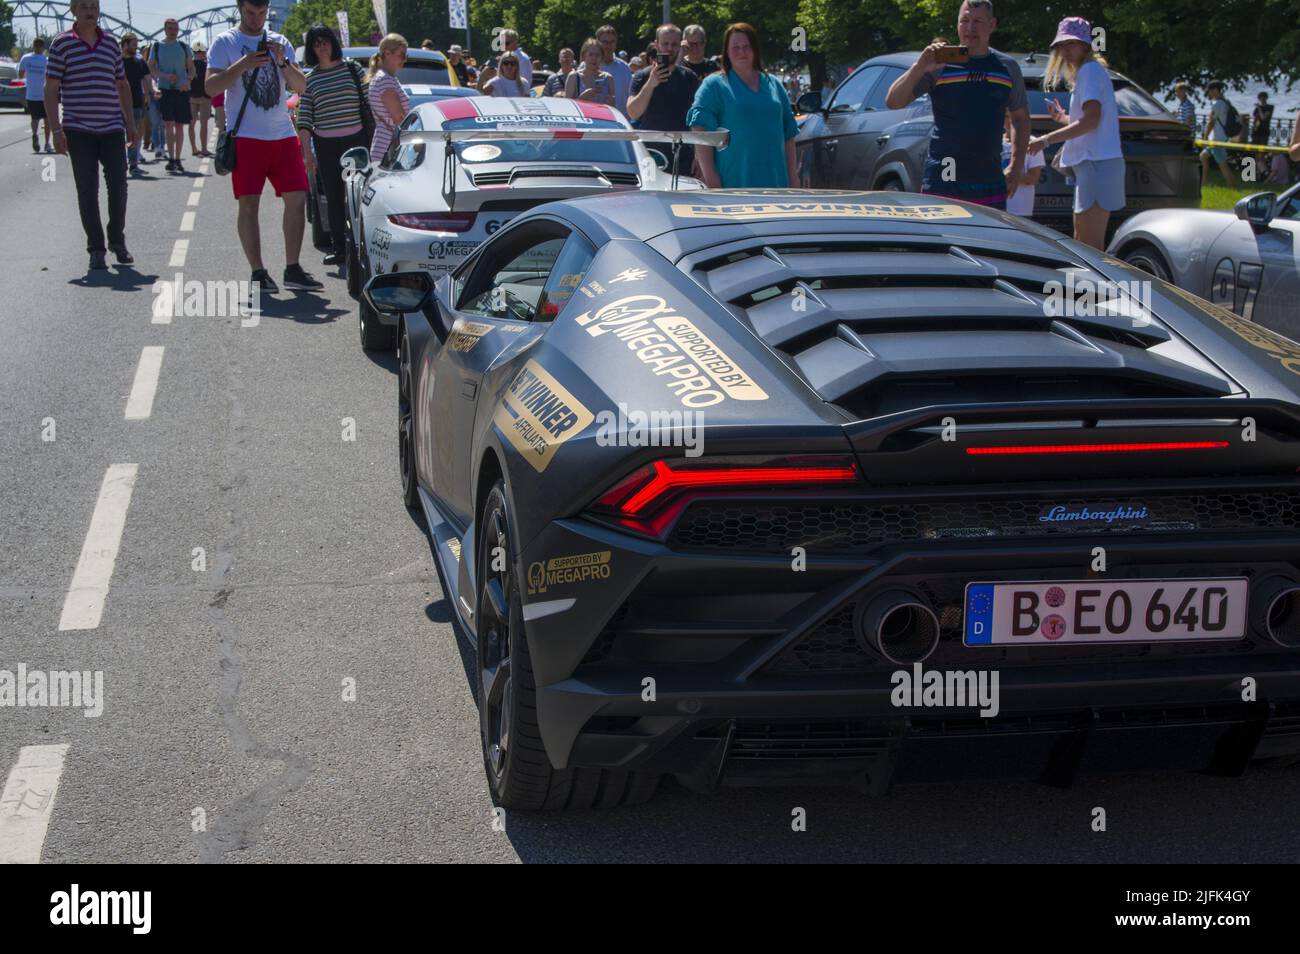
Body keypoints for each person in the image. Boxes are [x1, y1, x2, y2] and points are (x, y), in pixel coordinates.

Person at [206, 0, 322, 295]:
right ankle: (258, 271)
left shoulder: (280, 41)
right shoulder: (225, 42)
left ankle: (292, 268)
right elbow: (210, 88)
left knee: (297, 200)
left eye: (260, 13)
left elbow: (301, 86)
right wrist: (243, 64)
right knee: (249, 204)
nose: (256, 19)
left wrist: (282, 61)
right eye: (250, 13)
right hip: (246, 137)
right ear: (240, 9)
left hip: (283, 135)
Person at [885, 0, 1029, 210]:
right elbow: (893, 101)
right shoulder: (940, 63)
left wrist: (1016, 167)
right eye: (964, 21)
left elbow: (1020, 118)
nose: (970, 28)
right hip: (946, 168)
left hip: (988, 172)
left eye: (978, 21)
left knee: (987, 239)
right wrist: (919, 67)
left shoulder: (1006, 67)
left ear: (992, 25)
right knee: (946, 234)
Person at [44, 0, 136, 270]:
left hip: (111, 128)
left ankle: (117, 241)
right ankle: (96, 248)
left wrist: (130, 122)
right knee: (87, 190)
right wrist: (56, 130)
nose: (90, 10)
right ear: (73, 9)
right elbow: (51, 89)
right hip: (78, 128)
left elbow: (122, 84)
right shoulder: (61, 44)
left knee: (119, 186)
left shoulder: (110, 43)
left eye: (94, 5)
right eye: (83, 5)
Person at [1027, 17, 1124, 250]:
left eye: (1071, 44)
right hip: (1094, 165)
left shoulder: (1089, 71)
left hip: (1097, 164)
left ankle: (1091, 288)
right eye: (1061, 45)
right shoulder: (1089, 71)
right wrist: (1062, 119)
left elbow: (1091, 120)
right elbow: (1091, 121)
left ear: (1085, 45)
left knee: (1090, 247)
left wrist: (1046, 140)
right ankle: (1085, 287)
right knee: (1084, 243)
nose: (1064, 50)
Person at [687, 22, 798, 188]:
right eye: (735, 47)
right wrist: (711, 177)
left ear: (755, 49)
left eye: (747, 46)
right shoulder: (714, 85)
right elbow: (700, 130)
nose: (742, 52)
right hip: (733, 184)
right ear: (726, 52)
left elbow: (788, 135)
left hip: (777, 183)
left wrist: (793, 177)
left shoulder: (774, 84)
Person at [298, 24, 369, 268]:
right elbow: (304, 120)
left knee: (358, 194)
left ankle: (363, 246)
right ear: (311, 49)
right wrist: (308, 154)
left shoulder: (353, 69)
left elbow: (370, 102)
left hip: (355, 143)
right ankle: (339, 248)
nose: (322, 46)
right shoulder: (310, 79)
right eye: (316, 43)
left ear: (333, 43)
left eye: (325, 41)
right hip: (326, 146)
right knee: (335, 197)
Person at [627, 24, 699, 175]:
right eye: (665, 43)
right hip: (650, 154)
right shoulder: (642, 76)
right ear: (656, 45)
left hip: (683, 154)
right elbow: (633, 112)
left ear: (681, 45)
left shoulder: (689, 77)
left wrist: (699, 155)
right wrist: (651, 84)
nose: (669, 48)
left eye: (674, 44)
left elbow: (698, 119)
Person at [149, 17, 195, 173]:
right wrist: (165, 76)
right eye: (170, 28)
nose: (173, 31)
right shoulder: (156, 47)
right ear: (165, 29)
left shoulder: (184, 46)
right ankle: (170, 159)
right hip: (166, 90)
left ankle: (177, 158)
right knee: (168, 124)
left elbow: (192, 68)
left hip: (181, 90)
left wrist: (187, 80)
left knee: (180, 125)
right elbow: (151, 69)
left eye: (175, 28)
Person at [367, 34, 410, 163]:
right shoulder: (385, 80)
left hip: (384, 144)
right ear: (387, 53)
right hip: (389, 147)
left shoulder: (385, 78)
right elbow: (399, 118)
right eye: (401, 55)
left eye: (405, 55)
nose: (404, 59)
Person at [120, 33, 153, 174]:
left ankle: (133, 164)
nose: (136, 47)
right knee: (118, 136)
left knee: (134, 134)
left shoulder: (139, 62)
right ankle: (120, 164)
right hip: (117, 105)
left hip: (137, 103)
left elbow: (147, 79)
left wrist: (149, 95)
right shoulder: (117, 62)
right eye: (133, 44)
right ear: (125, 44)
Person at [1001, 111, 1043, 217]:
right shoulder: (994, 141)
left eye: (1014, 117)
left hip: (1020, 212)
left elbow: (1033, 178)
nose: (1011, 121)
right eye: (1006, 117)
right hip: (996, 210)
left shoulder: (1033, 143)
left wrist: (1007, 175)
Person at [1200, 81, 1236, 186]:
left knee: (1222, 164)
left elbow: (1211, 122)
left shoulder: (1217, 104)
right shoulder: (1224, 102)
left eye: (1210, 91)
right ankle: (1204, 182)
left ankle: (1232, 186)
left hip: (1217, 139)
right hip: (1218, 137)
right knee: (1203, 156)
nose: (1209, 94)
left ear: (1215, 90)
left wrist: (1205, 137)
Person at [18, 38, 51, 153]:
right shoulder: (46, 60)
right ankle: (47, 143)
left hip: (32, 94)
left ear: (33, 46)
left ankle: (35, 134)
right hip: (44, 94)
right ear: (43, 48)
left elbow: (21, 74)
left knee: (35, 119)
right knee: (47, 119)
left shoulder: (26, 58)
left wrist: (29, 76)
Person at [564, 39, 613, 106]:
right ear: (584, 56)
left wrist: (611, 103)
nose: (594, 58)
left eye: (597, 55)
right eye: (590, 55)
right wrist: (583, 97)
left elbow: (613, 108)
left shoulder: (608, 78)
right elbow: (567, 107)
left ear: (602, 57)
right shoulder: (574, 77)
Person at [596, 23, 632, 112]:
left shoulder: (624, 68)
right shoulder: (587, 66)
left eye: (612, 42)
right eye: (605, 42)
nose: (609, 46)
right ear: (597, 42)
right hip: (596, 121)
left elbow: (631, 96)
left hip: (621, 121)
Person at [189, 41, 212, 157]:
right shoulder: (207, 65)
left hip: (191, 97)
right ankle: (203, 148)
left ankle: (194, 148)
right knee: (204, 124)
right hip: (205, 97)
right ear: (204, 52)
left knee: (191, 124)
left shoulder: (188, 65)